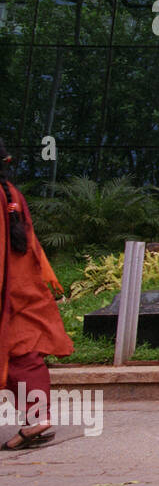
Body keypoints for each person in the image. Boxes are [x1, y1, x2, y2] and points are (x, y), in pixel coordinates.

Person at [0, 139, 73, 450]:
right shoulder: (10, 193)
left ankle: (37, 420)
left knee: (19, 353)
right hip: (23, 284)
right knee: (25, 352)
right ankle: (37, 419)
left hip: (9, 289)